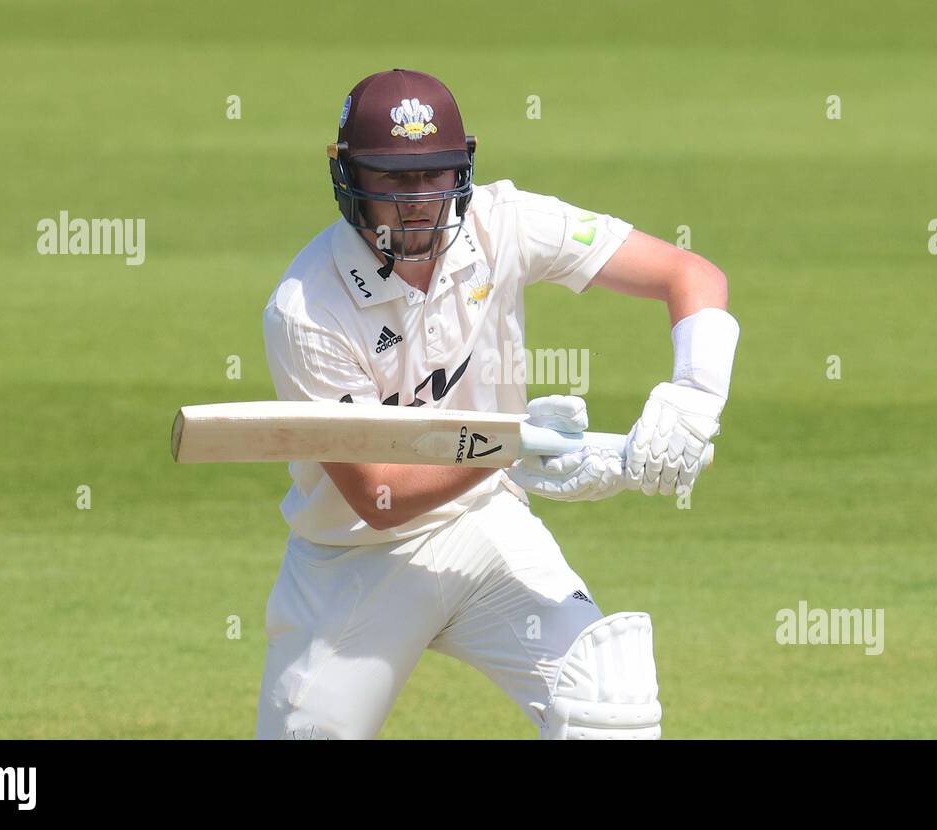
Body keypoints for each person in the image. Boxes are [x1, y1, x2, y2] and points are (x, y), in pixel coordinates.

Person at [256, 68, 739, 739]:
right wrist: (516, 445)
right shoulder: (306, 309)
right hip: (354, 560)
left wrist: (693, 397)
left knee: (609, 707)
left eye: (433, 175)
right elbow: (379, 495)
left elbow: (690, 275)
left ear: (462, 168)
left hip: (484, 529)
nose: (416, 200)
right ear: (348, 177)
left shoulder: (502, 223)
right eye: (392, 179)